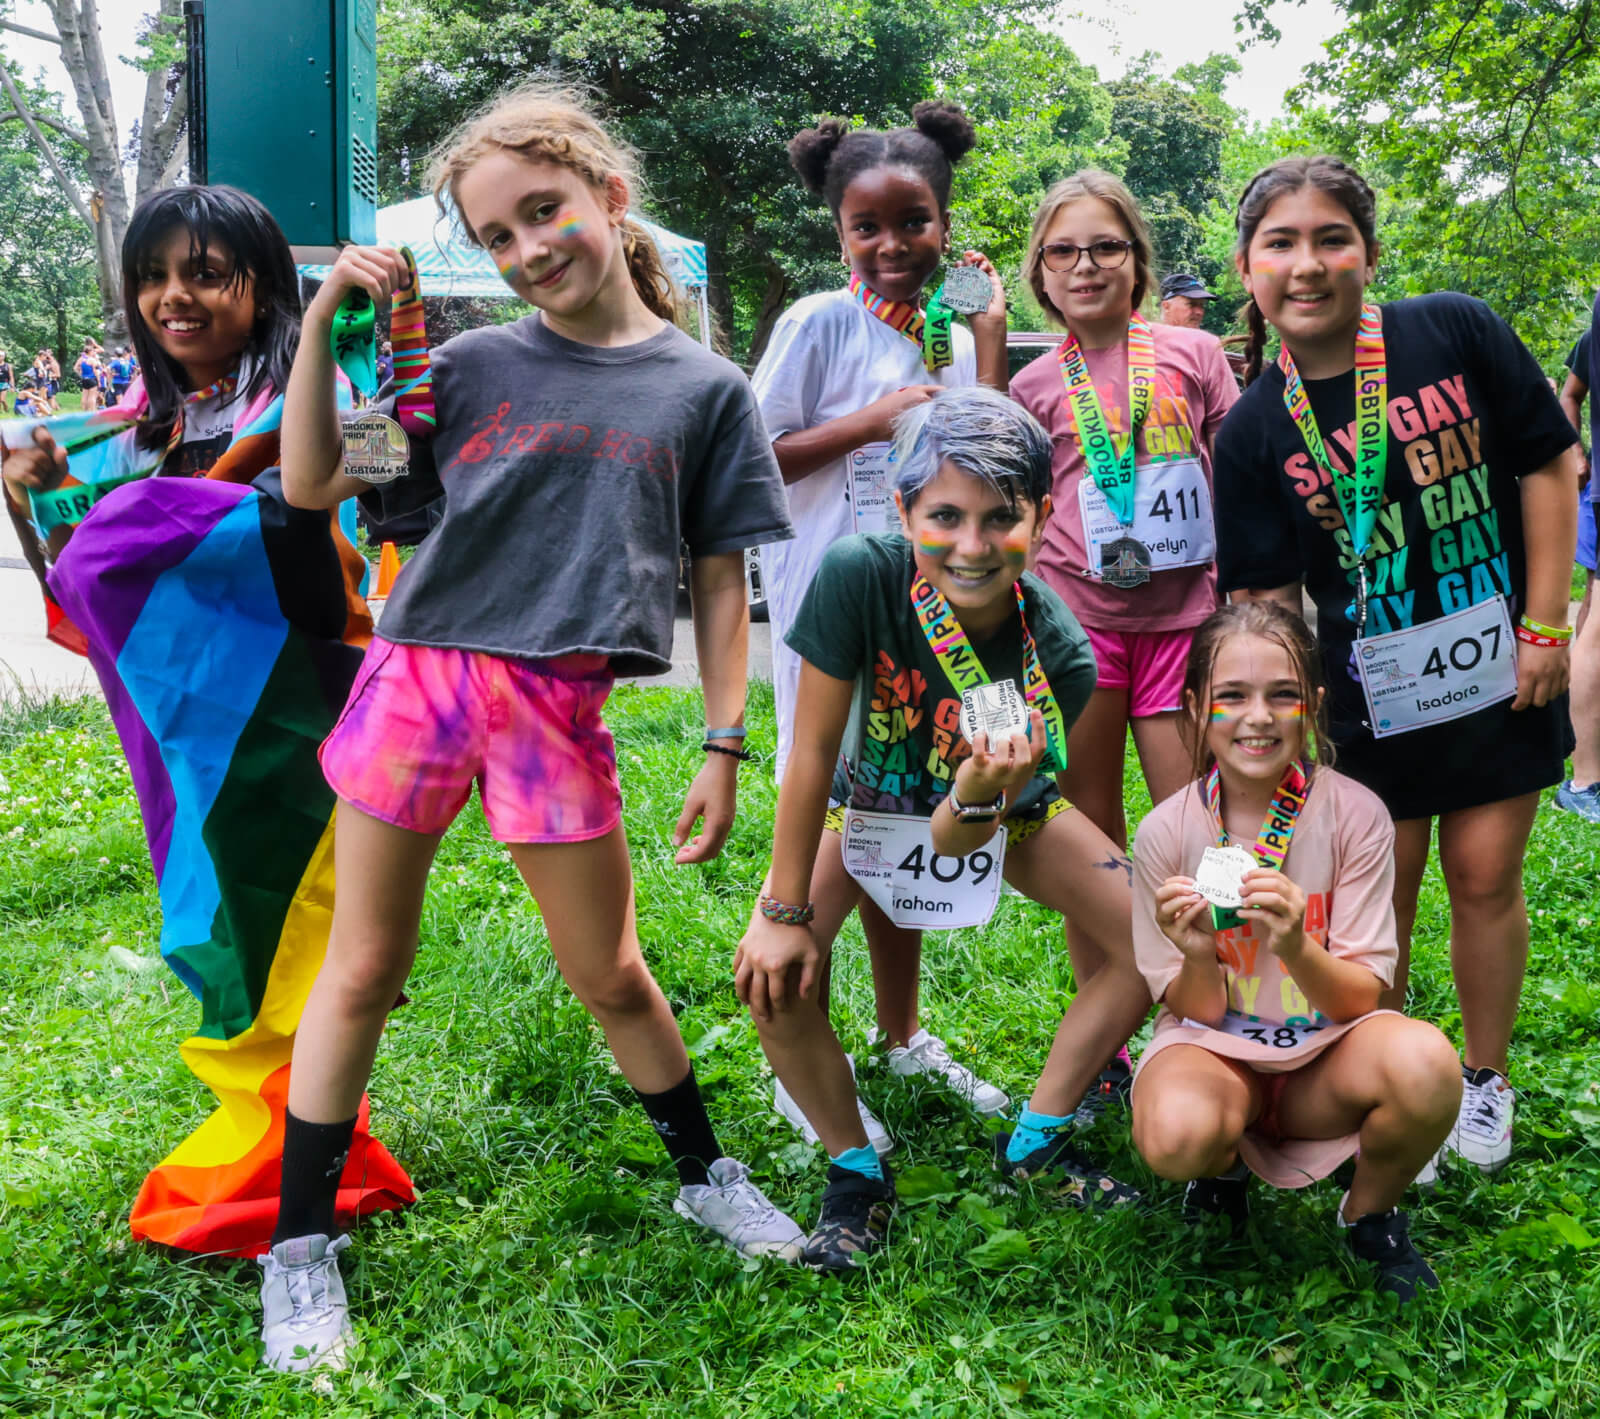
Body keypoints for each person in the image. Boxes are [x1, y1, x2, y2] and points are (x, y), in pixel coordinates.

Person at [265, 82, 804, 1373]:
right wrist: (326, 318)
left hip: (557, 705)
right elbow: (314, 481)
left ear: (611, 199)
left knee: (612, 971)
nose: (528, 250)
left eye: (544, 212)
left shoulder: (704, 388)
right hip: (422, 680)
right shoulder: (462, 365)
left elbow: (721, 578)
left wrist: (728, 742)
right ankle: (298, 1250)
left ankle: (704, 1172)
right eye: (497, 236)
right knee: (364, 970)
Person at [1215, 155, 1579, 1178]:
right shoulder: (1250, 429)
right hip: (1364, 704)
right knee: (1385, 892)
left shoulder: (1451, 331)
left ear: (1366, 252)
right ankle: (1398, 1074)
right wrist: (1279, 719)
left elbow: (1551, 461)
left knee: (1484, 875)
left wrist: (1545, 627)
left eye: (1330, 238)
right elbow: (1267, 601)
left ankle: (1483, 1078)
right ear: (1248, 266)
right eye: (1280, 244)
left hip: (1501, 669)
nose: (1307, 263)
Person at [736, 386, 1150, 1271]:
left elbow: (963, 844)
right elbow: (810, 754)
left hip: (1003, 815)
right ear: (904, 510)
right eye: (945, 515)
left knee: (1157, 938)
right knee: (769, 977)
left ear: (1040, 518)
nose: (971, 545)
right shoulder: (860, 574)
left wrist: (974, 794)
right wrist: (781, 907)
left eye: (1000, 517)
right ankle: (854, 1171)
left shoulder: (1059, 654)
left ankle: (1038, 1136)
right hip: (865, 807)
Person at [749, 103, 1013, 1149]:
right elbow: (755, 459)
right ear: (838, 232)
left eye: (915, 222)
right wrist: (872, 420)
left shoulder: (954, 332)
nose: (893, 246)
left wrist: (984, 348)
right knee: (828, 819)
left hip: (933, 622)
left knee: (902, 809)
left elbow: (992, 466)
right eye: (867, 227)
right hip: (831, 612)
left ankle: (901, 1036)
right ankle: (794, 1050)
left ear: (945, 221)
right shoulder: (817, 321)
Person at [1130, 600, 1461, 1302]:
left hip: (1324, 1064)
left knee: (1429, 1063)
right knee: (1174, 1133)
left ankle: (1367, 1213)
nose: (1259, 716)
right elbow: (1187, 1005)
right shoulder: (1166, 832)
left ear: (1310, 706)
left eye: (1282, 694)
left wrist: (1295, 943)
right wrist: (1196, 952)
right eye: (1232, 696)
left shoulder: (1357, 814)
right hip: (1218, 1056)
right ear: (1194, 710)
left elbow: (1361, 996)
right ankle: (1221, 1171)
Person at [1010, 171, 1238, 1111]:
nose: (1087, 265)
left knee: (1196, 824)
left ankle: (1205, 1016)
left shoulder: (1194, 352)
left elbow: (1241, 469)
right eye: (1065, 251)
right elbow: (1021, 507)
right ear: (1042, 273)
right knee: (1095, 840)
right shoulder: (1030, 382)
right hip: (1081, 634)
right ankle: (1104, 1032)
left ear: (1137, 260)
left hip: (1186, 627)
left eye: (1106, 246)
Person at [77, 341, 101, 411]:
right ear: (89, 351)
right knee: (92, 396)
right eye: (92, 351)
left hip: (84, 379)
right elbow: (95, 371)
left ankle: (84, 410)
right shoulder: (92, 360)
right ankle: (92, 411)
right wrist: (99, 381)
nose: (93, 352)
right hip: (92, 379)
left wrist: (80, 375)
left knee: (84, 396)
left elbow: (78, 368)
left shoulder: (82, 360)